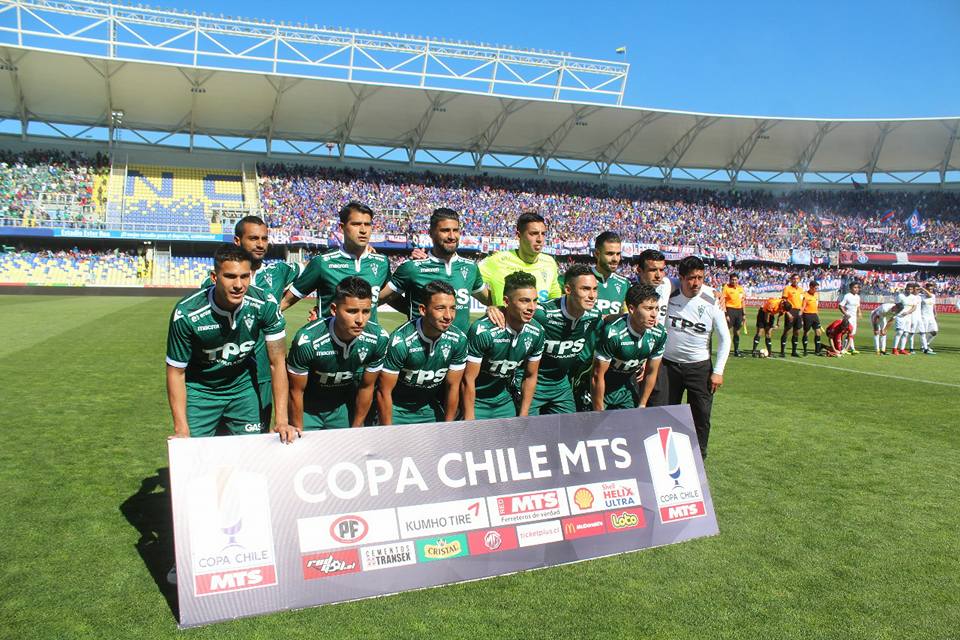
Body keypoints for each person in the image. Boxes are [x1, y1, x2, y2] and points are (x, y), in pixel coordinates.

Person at [165, 244, 294, 442]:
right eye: (230, 276)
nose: (238, 285)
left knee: (251, 452)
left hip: (243, 388)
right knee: (195, 454)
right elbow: (176, 371)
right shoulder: (186, 314)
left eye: (244, 276)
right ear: (214, 277)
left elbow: (277, 363)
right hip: (201, 391)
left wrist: (282, 420)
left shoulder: (265, 304)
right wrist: (181, 428)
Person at [200, 215, 301, 429]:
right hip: (223, 376)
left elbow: (314, 269)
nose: (261, 244)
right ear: (237, 241)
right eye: (254, 238)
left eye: (264, 238)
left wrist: (282, 304)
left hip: (263, 374)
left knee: (256, 439)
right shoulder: (212, 285)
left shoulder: (279, 271)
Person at [286, 277, 390, 430]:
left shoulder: (378, 338)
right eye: (352, 311)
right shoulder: (307, 341)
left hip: (342, 408)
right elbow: (295, 391)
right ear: (334, 310)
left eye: (366, 311)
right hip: (307, 410)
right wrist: (298, 430)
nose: (360, 320)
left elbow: (366, 387)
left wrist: (357, 427)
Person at [662, 256, 731, 460]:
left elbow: (725, 338)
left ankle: (699, 458)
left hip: (699, 368)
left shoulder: (712, 299)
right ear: (681, 278)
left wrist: (718, 371)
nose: (696, 283)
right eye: (691, 278)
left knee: (701, 416)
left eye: (700, 278)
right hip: (668, 366)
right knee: (664, 412)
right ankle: (664, 456)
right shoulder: (668, 292)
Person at [380, 208, 492, 333]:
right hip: (422, 344)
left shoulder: (471, 268)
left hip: (460, 345)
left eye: (455, 230)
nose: (452, 236)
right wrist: (410, 308)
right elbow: (379, 298)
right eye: (445, 230)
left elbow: (491, 300)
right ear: (431, 233)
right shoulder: (413, 268)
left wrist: (494, 307)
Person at [281, 201, 392, 323]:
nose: (363, 230)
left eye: (367, 224)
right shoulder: (323, 263)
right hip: (330, 335)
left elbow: (391, 295)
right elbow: (286, 301)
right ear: (342, 227)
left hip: (370, 336)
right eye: (356, 224)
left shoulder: (382, 263)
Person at [377, 281, 468, 425]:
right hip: (396, 410)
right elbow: (384, 392)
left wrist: (449, 427)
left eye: (452, 308)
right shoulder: (401, 341)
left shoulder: (459, 340)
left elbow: (453, 387)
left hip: (429, 408)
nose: (448, 316)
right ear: (423, 310)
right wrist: (388, 431)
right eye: (440, 308)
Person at [461, 271, 545, 420]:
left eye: (535, 301)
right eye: (524, 301)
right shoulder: (483, 331)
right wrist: (469, 417)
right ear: (506, 301)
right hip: (476, 401)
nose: (532, 307)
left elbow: (530, 376)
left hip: (503, 401)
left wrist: (524, 414)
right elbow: (468, 379)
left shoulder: (537, 332)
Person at [529, 264, 602, 415]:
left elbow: (609, 320)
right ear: (568, 289)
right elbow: (513, 313)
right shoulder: (543, 314)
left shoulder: (594, 315)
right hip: (534, 382)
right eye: (585, 289)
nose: (592, 295)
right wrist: (497, 309)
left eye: (595, 289)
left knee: (569, 427)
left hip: (561, 385)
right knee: (527, 428)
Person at [570, 231, 631, 411]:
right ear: (597, 253)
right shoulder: (581, 279)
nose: (615, 259)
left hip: (608, 361)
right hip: (580, 359)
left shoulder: (624, 284)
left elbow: (625, 319)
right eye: (610, 253)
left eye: (618, 254)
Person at [591, 283, 667, 410]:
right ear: (631, 309)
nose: (654, 314)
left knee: (632, 422)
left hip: (624, 389)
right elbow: (597, 375)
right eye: (648, 308)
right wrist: (598, 412)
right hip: (598, 389)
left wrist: (642, 404)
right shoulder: (613, 333)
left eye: (656, 308)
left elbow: (651, 372)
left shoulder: (659, 333)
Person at [478, 211, 562, 305]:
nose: (540, 239)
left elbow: (555, 298)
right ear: (519, 235)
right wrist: (491, 302)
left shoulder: (549, 263)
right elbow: (471, 278)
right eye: (534, 233)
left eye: (543, 234)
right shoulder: (497, 260)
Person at [721, 273, 747, 357]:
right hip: (730, 310)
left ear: (738, 280)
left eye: (735, 280)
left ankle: (736, 350)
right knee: (726, 331)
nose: (734, 281)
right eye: (732, 280)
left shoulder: (741, 288)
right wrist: (726, 314)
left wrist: (744, 314)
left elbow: (743, 301)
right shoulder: (726, 287)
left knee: (737, 331)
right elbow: (723, 301)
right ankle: (724, 350)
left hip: (739, 311)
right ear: (730, 280)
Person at [779, 274, 804, 357]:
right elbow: (783, 302)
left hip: (798, 312)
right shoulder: (787, 288)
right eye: (794, 279)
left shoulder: (801, 290)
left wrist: (801, 311)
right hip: (790, 311)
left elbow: (803, 302)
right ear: (791, 280)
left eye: (797, 279)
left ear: (799, 280)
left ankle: (794, 351)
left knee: (797, 332)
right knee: (787, 331)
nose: (795, 280)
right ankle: (782, 352)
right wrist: (788, 313)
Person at [892, 284, 920, 355]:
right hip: (900, 316)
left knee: (906, 333)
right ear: (905, 289)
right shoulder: (900, 296)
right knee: (899, 332)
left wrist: (907, 312)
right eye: (908, 289)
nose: (910, 291)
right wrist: (897, 313)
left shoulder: (914, 297)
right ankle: (894, 349)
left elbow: (914, 307)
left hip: (908, 317)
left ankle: (902, 349)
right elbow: (897, 305)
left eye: (911, 289)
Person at [838, 281, 862, 354]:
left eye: (857, 287)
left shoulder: (858, 297)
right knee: (849, 333)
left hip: (854, 318)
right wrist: (846, 314)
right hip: (848, 318)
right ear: (850, 288)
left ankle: (850, 349)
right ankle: (845, 349)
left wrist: (859, 312)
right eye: (855, 287)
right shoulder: (847, 296)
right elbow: (840, 306)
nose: (856, 289)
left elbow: (858, 306)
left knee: (852, 333)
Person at [800, 280, 823, 356]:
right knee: (806, 332)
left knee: (818, 332)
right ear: (810, 287)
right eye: (815, 288)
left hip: (815, 315)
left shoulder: (816, 294)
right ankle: (805, 350)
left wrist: (817, 315)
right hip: (807, 315)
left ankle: (817, 351)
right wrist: (801, 318)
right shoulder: (805, 295)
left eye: (817, 288)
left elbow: (816, 306)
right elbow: (802, 307)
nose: (816, 290)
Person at [918, 282, 939, 355]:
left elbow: (933, 305)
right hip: (923, 316)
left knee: (935, 332)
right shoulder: (921, 296)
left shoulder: (933, 295)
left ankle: (926, 344)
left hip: (931, 316)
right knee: (923, 332)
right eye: (929, 289)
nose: (930, 290)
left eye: (931, 289)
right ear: (926, 289)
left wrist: (935, 313)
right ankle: (924, 347)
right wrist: (922, 289)